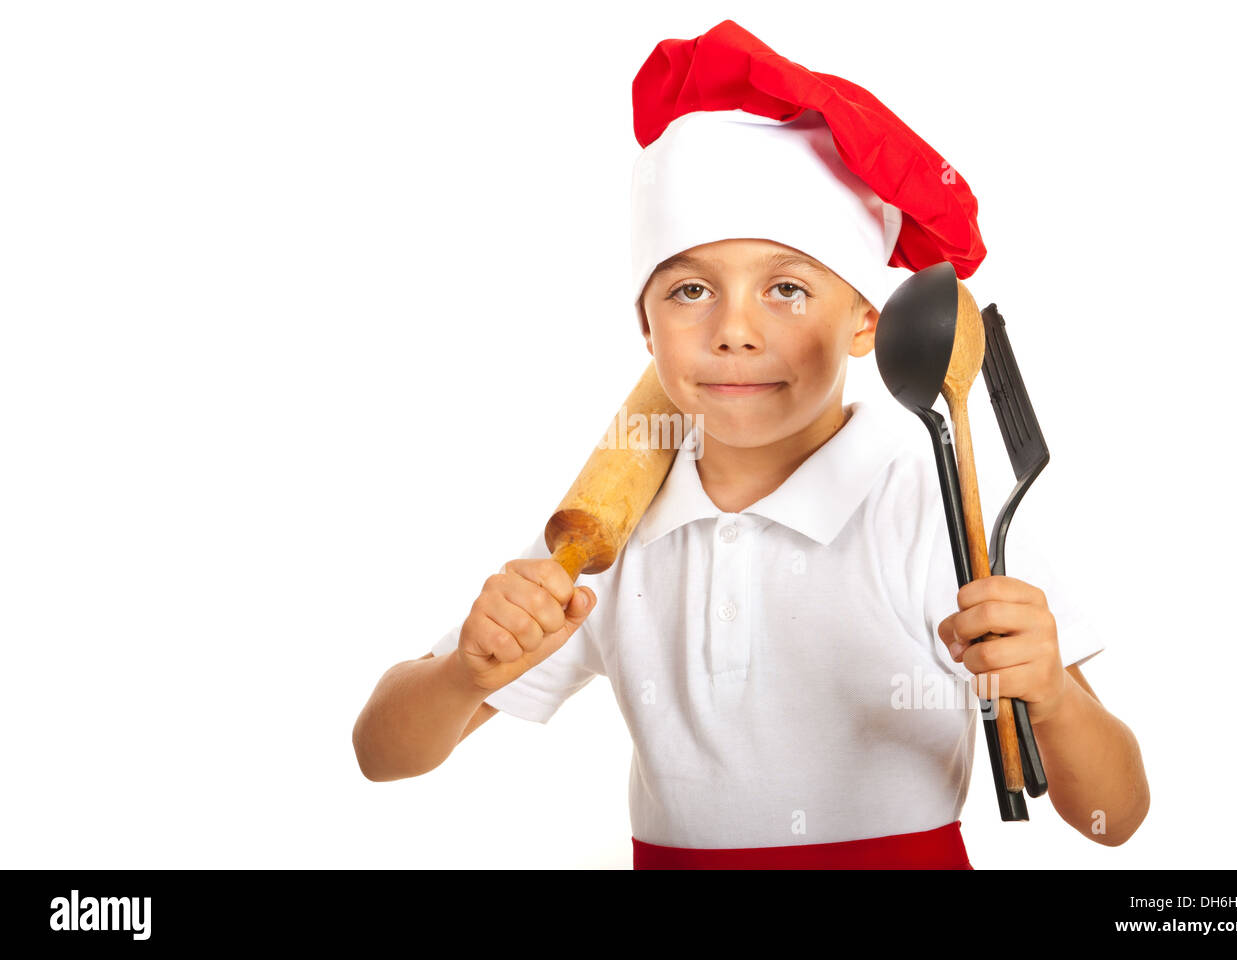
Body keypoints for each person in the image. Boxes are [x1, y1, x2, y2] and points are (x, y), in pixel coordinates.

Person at [351, 19, 1150, 868]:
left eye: (788, 289)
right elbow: (381, 754)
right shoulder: (606, 535)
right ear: (644, 324)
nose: (734, 331)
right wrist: (464, 676)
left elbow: (1115, 813)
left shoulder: (932, 504)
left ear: (866, 324)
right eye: (691, 288)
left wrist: (1053, 695)